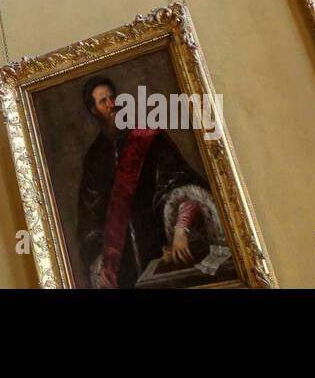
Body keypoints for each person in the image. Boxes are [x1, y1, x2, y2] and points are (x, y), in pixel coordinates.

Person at [76, 77, 226, 289]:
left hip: (161, 252)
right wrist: (99, 266)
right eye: (103, 102)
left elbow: (180, 185)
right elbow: (90, 220)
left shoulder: (148, 138)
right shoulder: (94, 158)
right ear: (93, 110)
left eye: (113, 98)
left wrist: (181, 227)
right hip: (124, 267)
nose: (112, 104)